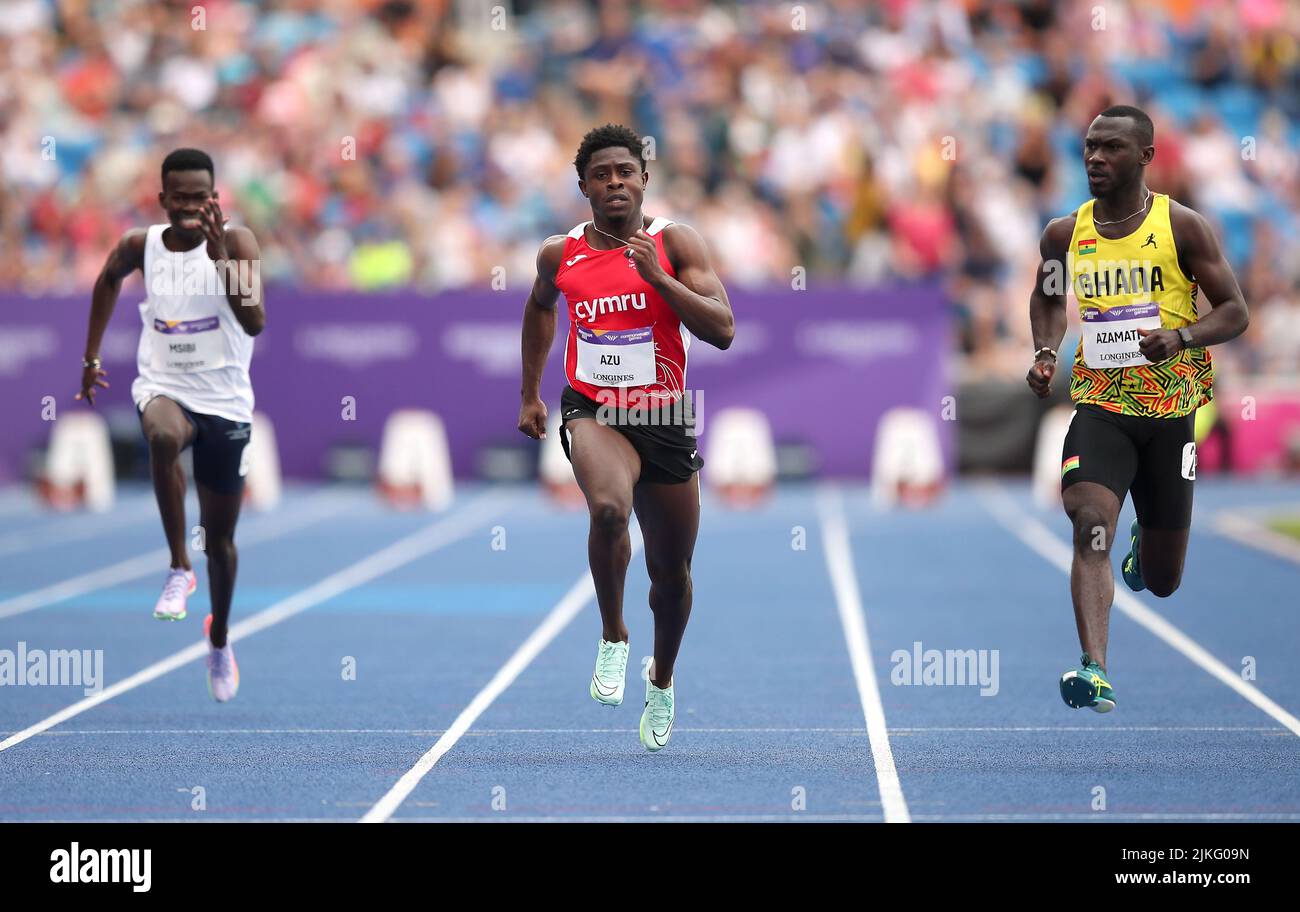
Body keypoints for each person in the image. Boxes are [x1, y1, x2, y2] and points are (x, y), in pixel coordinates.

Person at [518, 124, 734, 751]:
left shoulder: (675, 241)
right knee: (609, 510)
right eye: (601, 174)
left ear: (644, 179)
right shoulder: (561, 254)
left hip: (664, 417)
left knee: (672, 573)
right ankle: (613, 634)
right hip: (593, 407)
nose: (615, 182)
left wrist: (660, 280)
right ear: (583, 186)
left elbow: (722, 329)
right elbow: (539, 307)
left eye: (625, 172)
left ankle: (662, 680)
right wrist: (530, 391)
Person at [1026, 106, 1249, 712]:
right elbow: (1047, 298)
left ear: (1146, 157)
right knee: (1089, 517)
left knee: (1163, 579)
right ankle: (1094, 667)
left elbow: (1235, 311)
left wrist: (1180, 338)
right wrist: (1047, 351)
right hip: (1101, 407)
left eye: (1112, 149)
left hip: (1170, 413)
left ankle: (1144, 547)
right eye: (1089, 147)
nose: (1095, 158)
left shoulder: (1183, 227)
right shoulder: (1063, 234)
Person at [77, 148, 265, 702]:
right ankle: (178, 566)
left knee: (224, 544)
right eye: (178, 197)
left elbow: (254, 321)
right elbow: (107, 279)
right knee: (161, 434)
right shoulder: (144, 245)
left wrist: (220, 254)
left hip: (226, 402)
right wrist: (90, 358)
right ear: (162, 199)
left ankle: (221, 639)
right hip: (164, 386)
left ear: (215, 197)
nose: (189, 206)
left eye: (200, 197)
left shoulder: (241, 242)